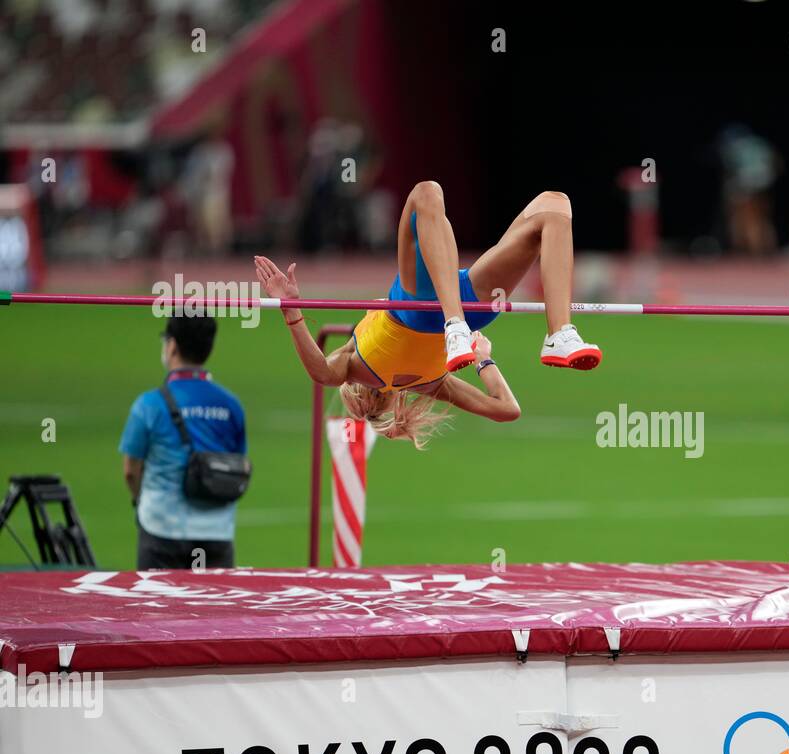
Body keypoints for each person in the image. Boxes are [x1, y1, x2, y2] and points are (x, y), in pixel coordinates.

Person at [253, 180, 601, 448]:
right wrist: (291, 311)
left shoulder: (434, 383)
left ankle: (559, 335)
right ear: (357, 390)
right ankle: (475, 324)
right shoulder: (357, 367)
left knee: (553, 206)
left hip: (468, 305)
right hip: (423, 308)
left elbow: (507, 410)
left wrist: (484, 360)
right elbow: (320, 373)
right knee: (425, 193)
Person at [119, 312, 247, 569]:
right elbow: (239, 464)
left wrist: (138, 501)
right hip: (216, 533)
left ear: (172, 345)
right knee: (214, 609)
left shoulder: (149, 405)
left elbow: (131, 472)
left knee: (156, 609)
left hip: (161, 530)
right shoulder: (231, 405)